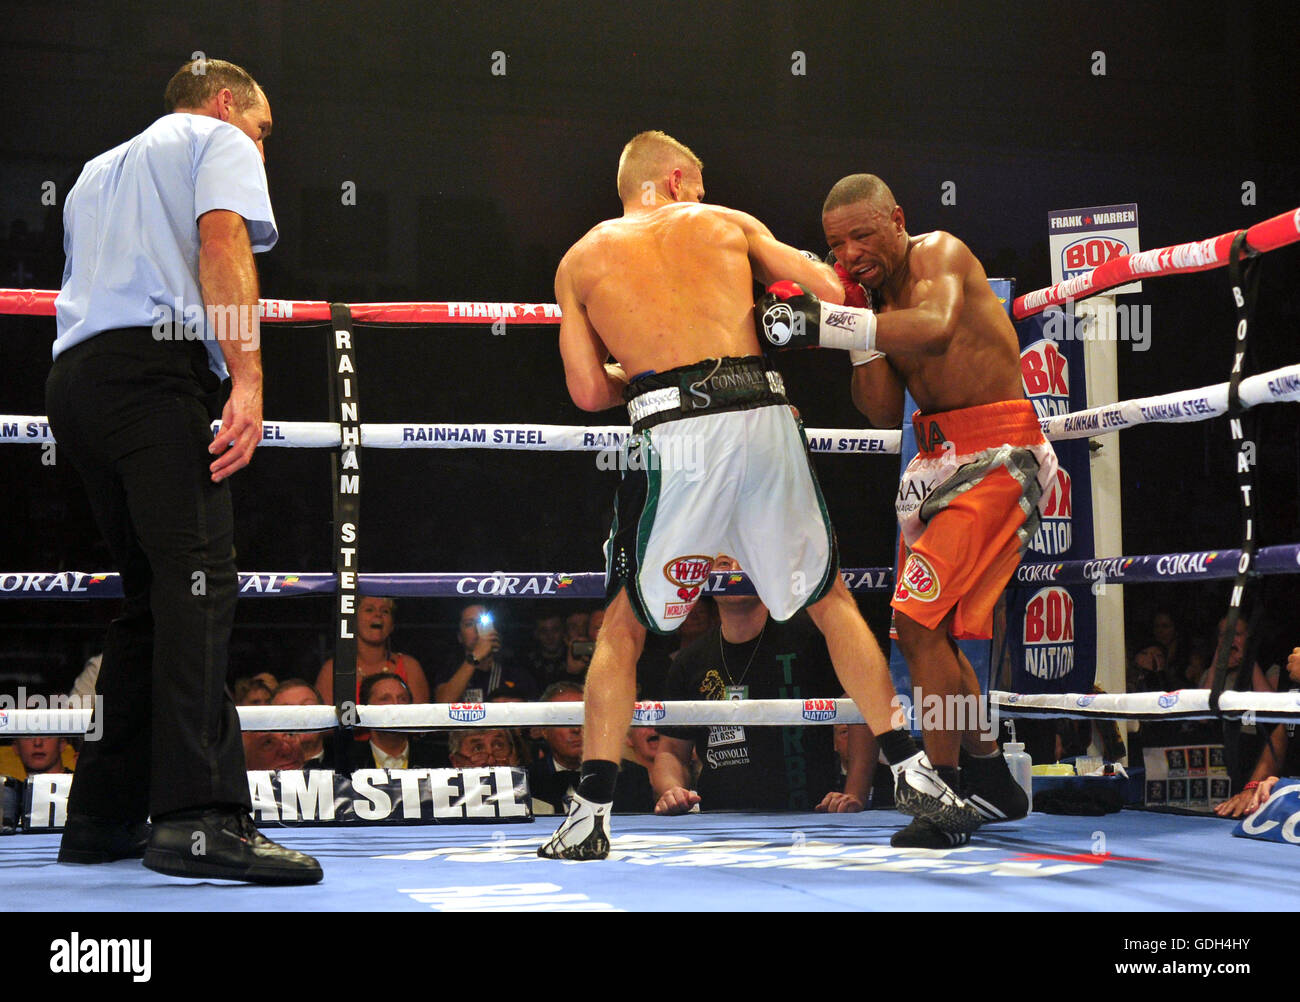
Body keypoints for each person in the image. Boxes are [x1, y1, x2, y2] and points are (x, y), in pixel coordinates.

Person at [539, 132, 978, 860]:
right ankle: (919, 774)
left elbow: (587, 391)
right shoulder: (727, 224)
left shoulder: (580, 259)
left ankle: (589, 814)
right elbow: (837, 294)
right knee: (831, 601)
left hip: (672, 429)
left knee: (623, 627)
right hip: (765, 413)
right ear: (678, 179)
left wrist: (644, 367)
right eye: (700, 181)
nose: (702, 193)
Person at [46, 57, 319, 883]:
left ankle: (99, 818)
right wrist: (247, 379)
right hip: (151, 377)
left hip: (77, 382)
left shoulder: (96, 171)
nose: (262, 151)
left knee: (151, 603)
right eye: (264, 131)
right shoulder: (215, 136)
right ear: (228, 102)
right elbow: (222, 241)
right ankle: (201, 820)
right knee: (200, 581)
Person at [811, 172, 1056, 845]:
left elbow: (939, 324)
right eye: (837, 245)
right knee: (929, 633)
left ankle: (943, 798)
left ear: (897, 218)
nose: (850, 252)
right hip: (937, 463)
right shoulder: (876, 304)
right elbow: (885, 409)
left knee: (915, 624)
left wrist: (838, 318)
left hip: (1000, 455)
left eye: (862, 234)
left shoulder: (940, 253)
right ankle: (990, 774)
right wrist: (856, 329)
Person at [653, 555, 874, 814]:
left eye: (746, 560)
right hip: (716, 826)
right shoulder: (690, 660)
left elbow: (866, 703)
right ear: (706, 576)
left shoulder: (810, 637)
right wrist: (672, 791)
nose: (734, 573)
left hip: (808, 818)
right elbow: (671, 751)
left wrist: (854, 794)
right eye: (724, 564)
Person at [316, 595, 430, 705]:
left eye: (385, 611)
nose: (378, 614)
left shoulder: (410, 667)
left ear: (392, 625)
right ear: (352, 621)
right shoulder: (332, 669)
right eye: (369, 610)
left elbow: (422, 720)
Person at [434, 603, 538, 702]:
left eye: (483, 623)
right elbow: (443, 703)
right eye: (469, 624)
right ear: (460, 637)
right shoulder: (450, 669)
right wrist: (475, 656)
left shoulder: (514, 670)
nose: (477, 629)